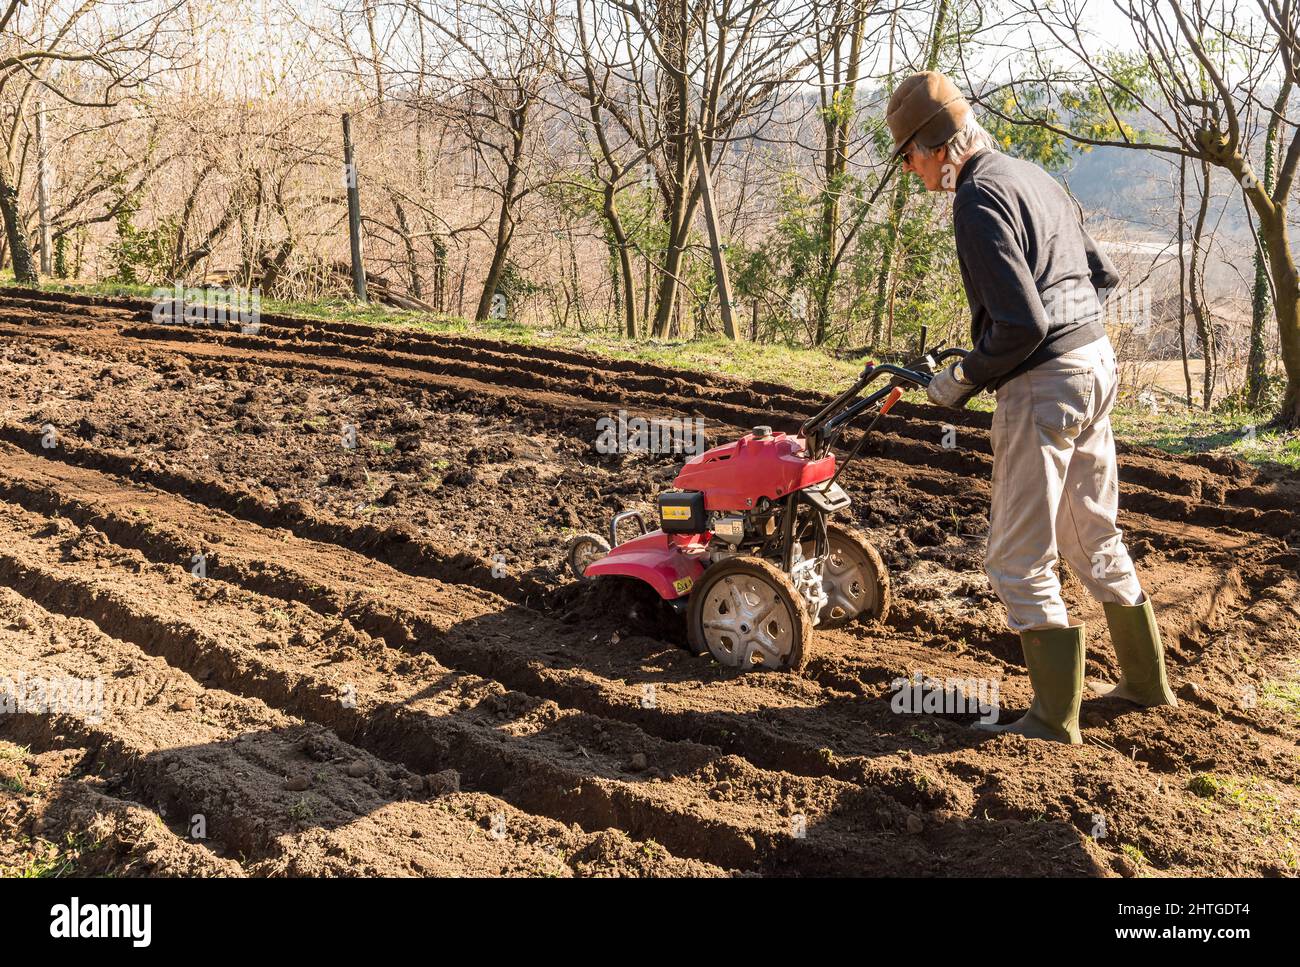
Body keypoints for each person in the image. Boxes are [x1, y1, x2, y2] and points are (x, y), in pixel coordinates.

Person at [885, 71, 1177, 744]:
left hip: (1044, 384)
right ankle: (1144, 681)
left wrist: (960, 378)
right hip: (1097, 364)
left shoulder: (976, 198)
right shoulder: (1031, 176)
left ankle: (1052, 717)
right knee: (1091, 533)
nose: (909, 169)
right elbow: (1097, 273)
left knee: (1017, 557)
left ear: (935, 146)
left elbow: (1021, 326)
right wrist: (989, 344)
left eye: (908, 156)